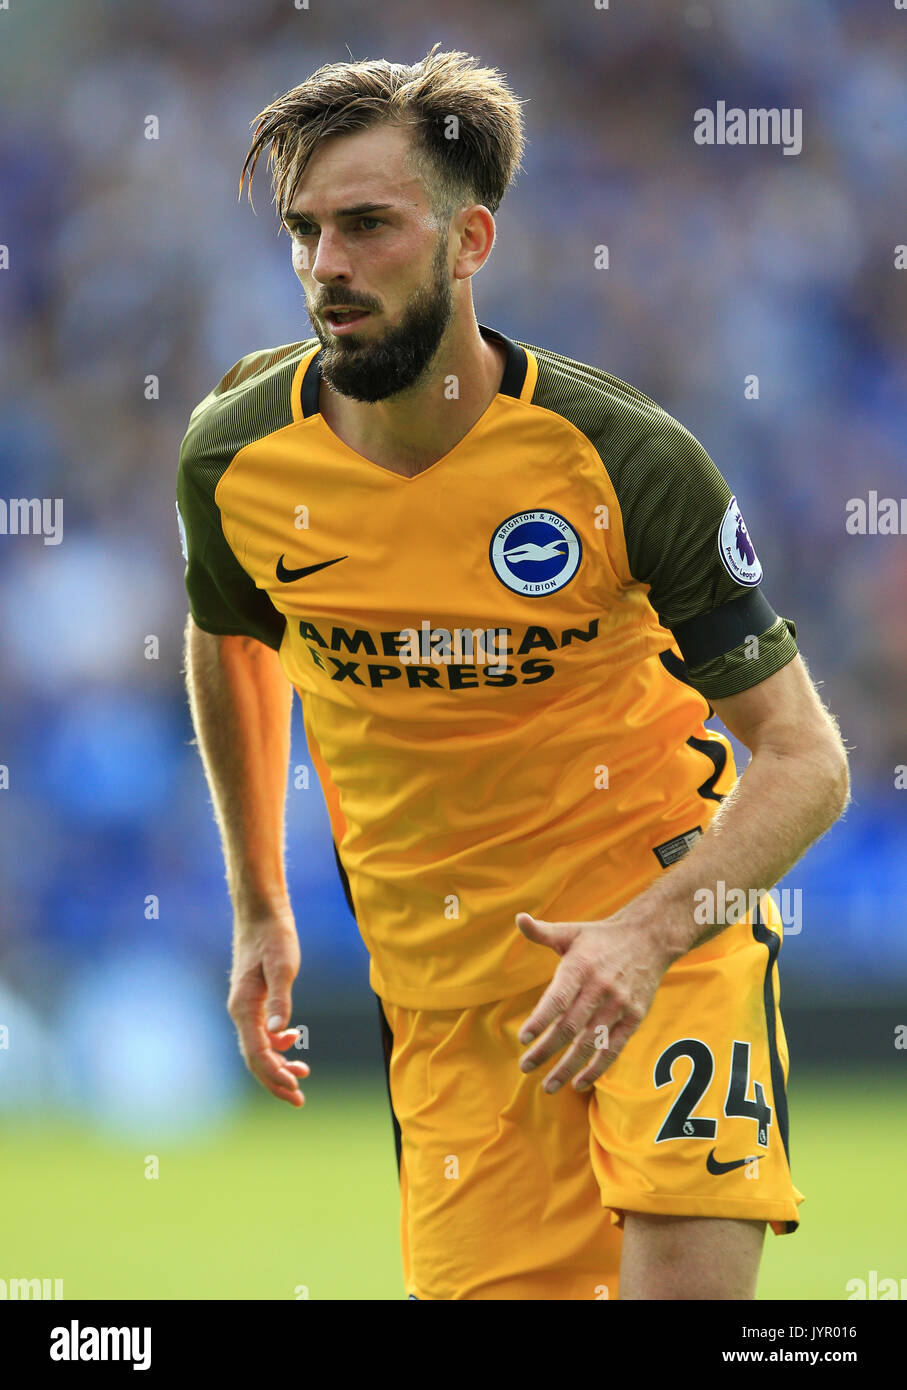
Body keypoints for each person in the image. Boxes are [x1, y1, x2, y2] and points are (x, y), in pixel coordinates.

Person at [177, 46, 849, 1300]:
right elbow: (228, 638)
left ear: (468, 239)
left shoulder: (624, 460)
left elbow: (808, 761)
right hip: (449, 1007)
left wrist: (647, 937)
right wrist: (259, 902)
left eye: (368, 225)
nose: (326, 267)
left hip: (663, 948)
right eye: (305, 231)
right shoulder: (235, 459)